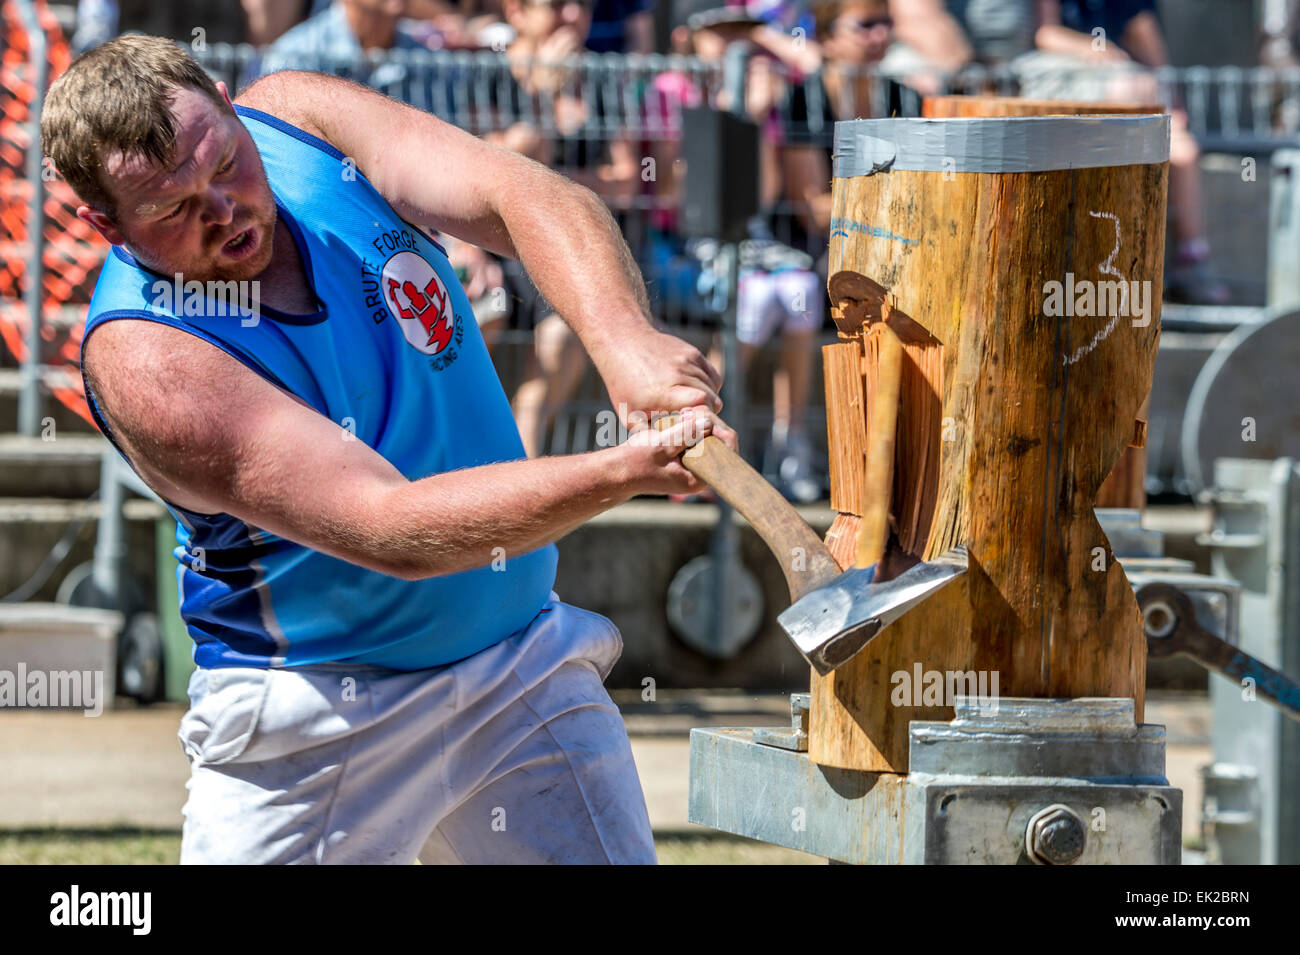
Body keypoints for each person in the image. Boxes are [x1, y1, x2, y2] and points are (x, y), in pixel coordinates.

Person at [44, 33, 732, 864]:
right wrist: (623, 470)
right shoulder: (149, 359)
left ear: (230, 102)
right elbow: (389, 527)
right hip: (314, 719)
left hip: (518, 665)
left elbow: (516, 192)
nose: (223, 211)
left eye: (225, 162)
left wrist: (630, 347)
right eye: (171, 209)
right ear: (100, 222)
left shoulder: (299, 117)